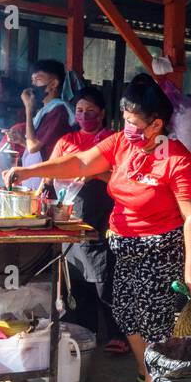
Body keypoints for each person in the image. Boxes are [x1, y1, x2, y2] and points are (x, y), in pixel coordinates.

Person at [4, 78, 191, 382]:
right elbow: (80, 163)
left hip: (160, 250)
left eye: (134, 122)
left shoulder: (179, 161)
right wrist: (29, 171)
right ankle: (149, 376)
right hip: (123, 244)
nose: (126, 126)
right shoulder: (121, 145)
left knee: (154, 322)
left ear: (157, 124)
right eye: (125, 118)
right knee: (126, 315)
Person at [52, 88, 127, 355]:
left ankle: (117, 333)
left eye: (91, 111)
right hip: (72, 216)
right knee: (75, 278)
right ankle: (84, 332)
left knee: (104, 278)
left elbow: (120, 179)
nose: (84, 116)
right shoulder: (66, 140)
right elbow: (51, 173)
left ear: (103, 113)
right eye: (80, 111)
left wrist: (96, 173)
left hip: (103, 215)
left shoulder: (110, 140)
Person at [19, 59, 74, 189]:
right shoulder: (45, 111)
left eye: (38, 80)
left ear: (53, 84)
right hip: (35, 177)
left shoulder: (59, 111)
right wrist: (21, 140)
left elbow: (33, 147)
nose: (33, 86)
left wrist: (28, 108)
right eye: (32, 81)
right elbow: (39, 144)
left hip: (48, 180)